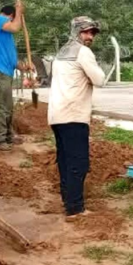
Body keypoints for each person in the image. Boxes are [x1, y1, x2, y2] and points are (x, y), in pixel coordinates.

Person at [48, 16, 106, 221]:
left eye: (92, 33)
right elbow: (100, 79)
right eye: (86, 32)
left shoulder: (61, 53)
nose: (90, 36)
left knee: (65, 161)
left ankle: (68, 200)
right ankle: (75, 208)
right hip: (74, 115)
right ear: (76, 32)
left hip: (57, 115)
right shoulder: (83, 52)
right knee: (78, 163)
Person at [0, 0, 32, 150]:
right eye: (16, 17)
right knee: (2, 106)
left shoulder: (5, 36)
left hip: (2, 72)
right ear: (11, 15)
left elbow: (12, 59)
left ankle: (7, 136)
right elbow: (15, 27)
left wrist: (25, 67)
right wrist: (19, 11)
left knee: (7, 106)